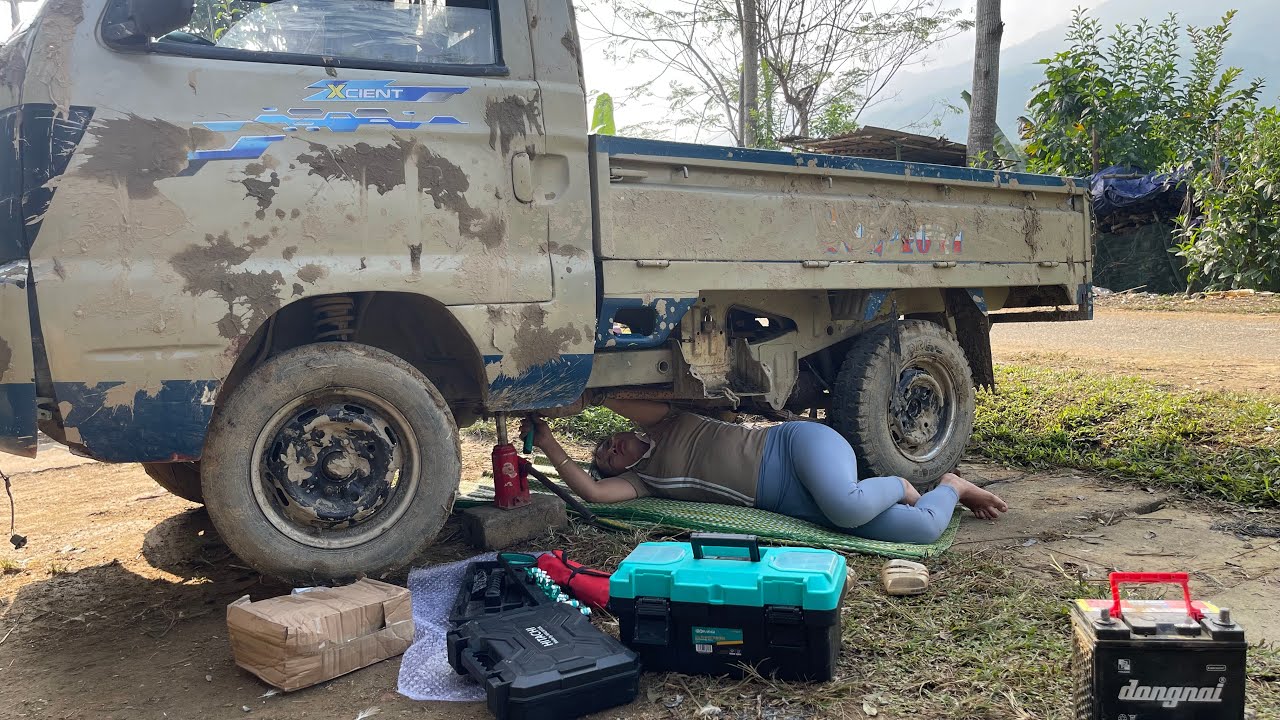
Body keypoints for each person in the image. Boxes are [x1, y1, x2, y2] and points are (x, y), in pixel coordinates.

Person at [521, 399, 1007, 545]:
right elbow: (588, 492)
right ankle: (951, 486)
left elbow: (614, 400)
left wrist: (576, 403)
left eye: (610, 438)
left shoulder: (664, 422)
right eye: (607, 455)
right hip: (788, 502)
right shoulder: (643, 482)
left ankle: (899, 483)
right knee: (920, 530)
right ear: (618, 470)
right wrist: (548, 445)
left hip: (796, 447)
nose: (613, 446)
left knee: (846, 506)